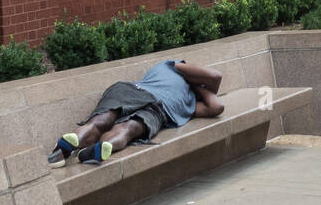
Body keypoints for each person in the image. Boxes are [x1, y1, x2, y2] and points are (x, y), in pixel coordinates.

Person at [47, 59, 225, 166]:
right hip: (144, 97)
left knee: (109, 123)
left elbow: (217, 107)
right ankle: (96, 147)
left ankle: (76, 146)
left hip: (154, 106)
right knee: (125, 128)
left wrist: (195, 88)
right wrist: (199, 86)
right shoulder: (172, 66)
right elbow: (215, 76)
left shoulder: (191, 102)